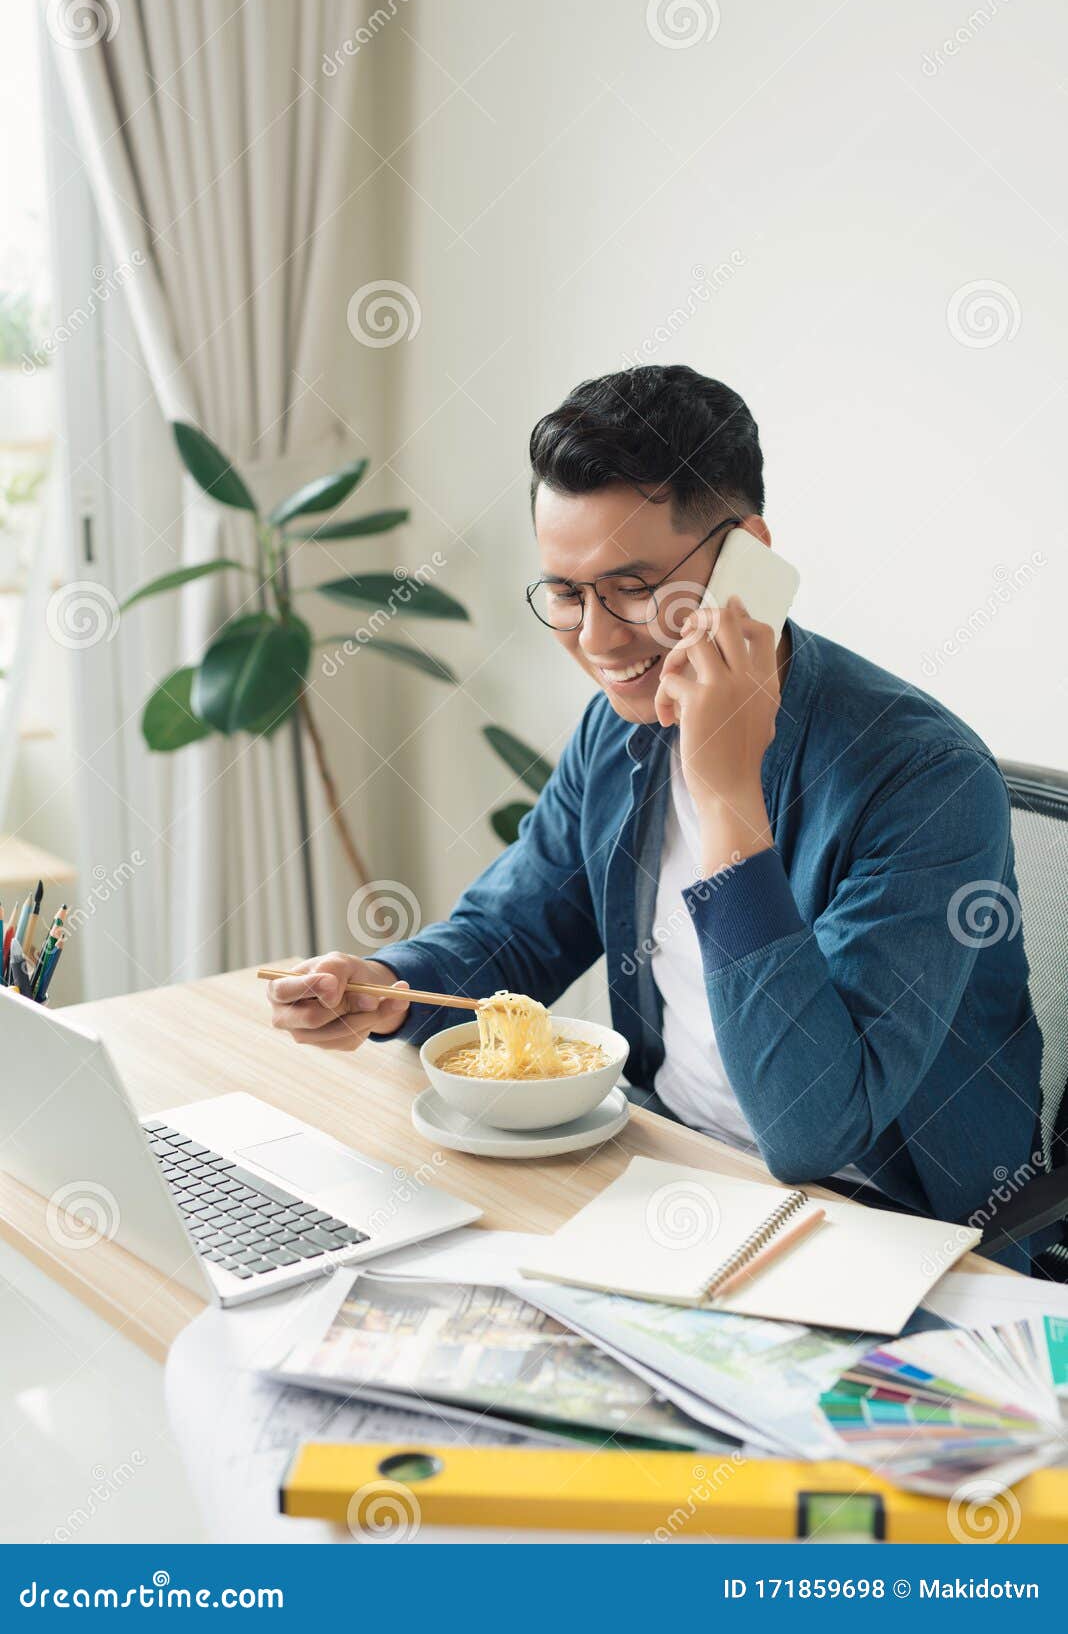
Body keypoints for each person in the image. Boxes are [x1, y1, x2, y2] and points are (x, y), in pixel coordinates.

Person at [268, 364, 1043, 1262]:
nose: (597, 640)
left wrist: (725, 801)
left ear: (745, 557)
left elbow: (812, 1130)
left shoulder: (924, 777)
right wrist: (383, 986)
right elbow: (514, 933)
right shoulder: (619, 730)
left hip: (894, 1232)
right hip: (669, 1173)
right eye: (565, 591)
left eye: (633, 587)